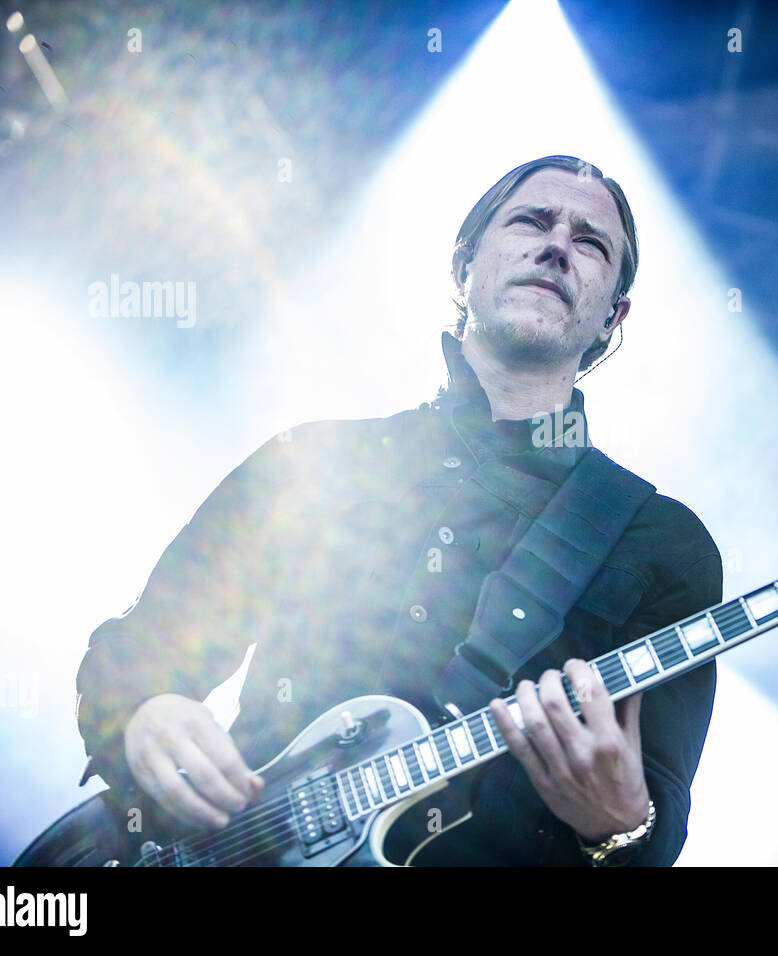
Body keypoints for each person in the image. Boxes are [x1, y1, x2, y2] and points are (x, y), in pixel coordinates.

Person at [74, 155, 723, 866]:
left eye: (591, 242)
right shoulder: (309, 463)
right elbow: (141, 647)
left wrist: (620, 824)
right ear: (464, 266)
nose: (557, 245)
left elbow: (656, 830)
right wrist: (143, 709)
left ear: (612, 317)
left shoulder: (660, 543)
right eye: (531, 221)